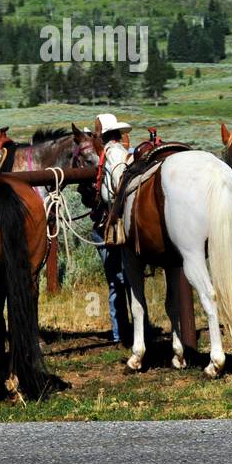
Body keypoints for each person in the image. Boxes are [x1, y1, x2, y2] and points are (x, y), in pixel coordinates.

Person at [91, 113, 134, 345]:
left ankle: (121, 333)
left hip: (104, 224)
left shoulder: (108, 155)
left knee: (116, 280)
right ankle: (136, 329)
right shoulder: (124, 154)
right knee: (126, 278)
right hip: (114, 223)